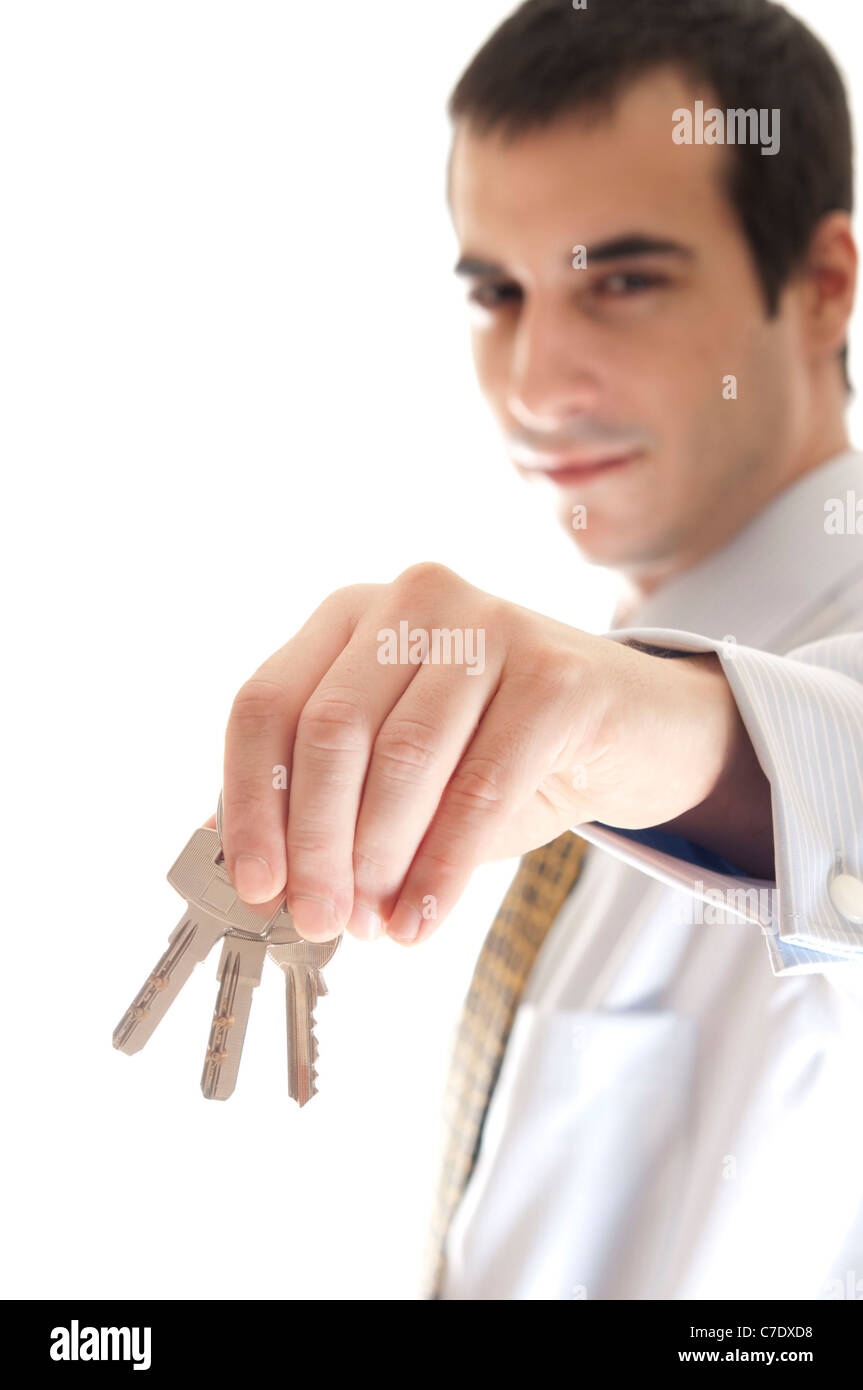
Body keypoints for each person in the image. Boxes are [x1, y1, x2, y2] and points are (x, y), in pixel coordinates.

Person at [218, 0, 863, 1299]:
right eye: (498, 293)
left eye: (622, 280)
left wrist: (678, 735)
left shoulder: (667, 730)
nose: (534, 380)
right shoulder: (588, 743)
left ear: (822, 286)